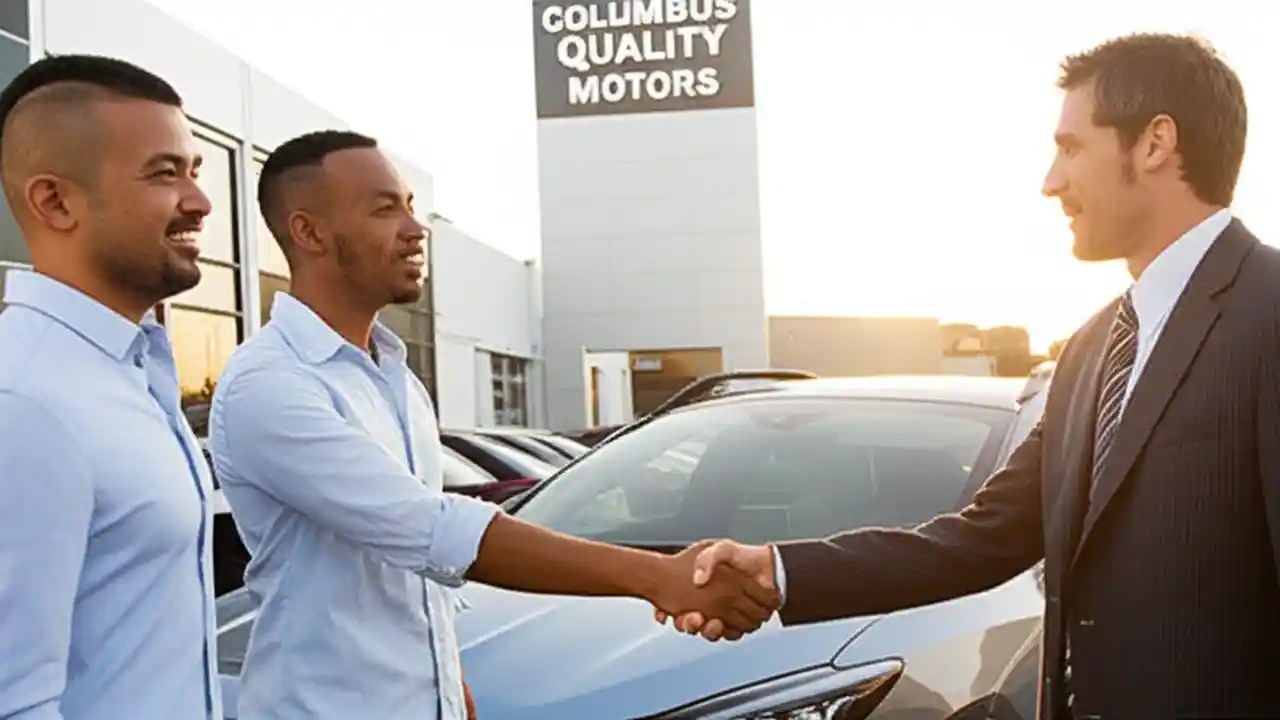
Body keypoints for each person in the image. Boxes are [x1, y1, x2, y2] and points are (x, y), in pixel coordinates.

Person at [662, 32, 1280, 719]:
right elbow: (980, 540)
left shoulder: (1270, 314)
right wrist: (778, 571)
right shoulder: (1090, 348)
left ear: (1156, 142)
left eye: (1071, 147)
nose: (1051, 181)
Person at [207, 130, 775, 719]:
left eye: (411, 206)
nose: (416, 229)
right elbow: (431, 529)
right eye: (384, 209)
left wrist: (450, 684)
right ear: (309, 232)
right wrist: (659, 576)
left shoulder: (395, 377)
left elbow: (408, 573)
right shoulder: (269, 384)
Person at [0, 56, 220, 718]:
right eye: (164, 173)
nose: (200, 202)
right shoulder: (25, 403)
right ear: (54, 202)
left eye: (194, 171)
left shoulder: (131, 371)